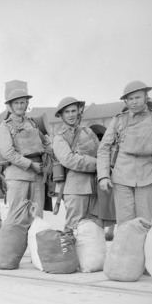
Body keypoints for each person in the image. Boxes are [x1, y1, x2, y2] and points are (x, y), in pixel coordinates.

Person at [97, 81, 152, 224]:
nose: (134, 102)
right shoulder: (118, 120)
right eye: (130, 99)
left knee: (144, 223)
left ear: (146, 97)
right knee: (125, 224)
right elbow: (104, 148)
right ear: (126, 101)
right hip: (121, 177)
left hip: (148, 177)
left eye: (138, 97)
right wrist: (103, 176)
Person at [52, 97, 110, 231]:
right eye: (67, 112)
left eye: (74, 111)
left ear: (79, 112)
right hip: (75, 188)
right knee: (74, 227)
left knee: (96, 227)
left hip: (95, 186)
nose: (71, 115)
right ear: (61, 115)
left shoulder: (88, 132)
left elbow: (101, 151)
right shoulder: (59, 138)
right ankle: (70, 252)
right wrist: (98, 163)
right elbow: (69, 160)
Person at [0, 89, 53, 218]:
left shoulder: (32, 123)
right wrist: (30, 164)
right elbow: (7, 152)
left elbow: (46, 143)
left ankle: (33, 238)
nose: (19, 106)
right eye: (16, 103)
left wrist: (48, 160)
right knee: (17, 217)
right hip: (17, 176)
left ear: (27, 104)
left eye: (22, 102)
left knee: (36, 216)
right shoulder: (5, 126)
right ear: (10, 106)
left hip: (38, 176)